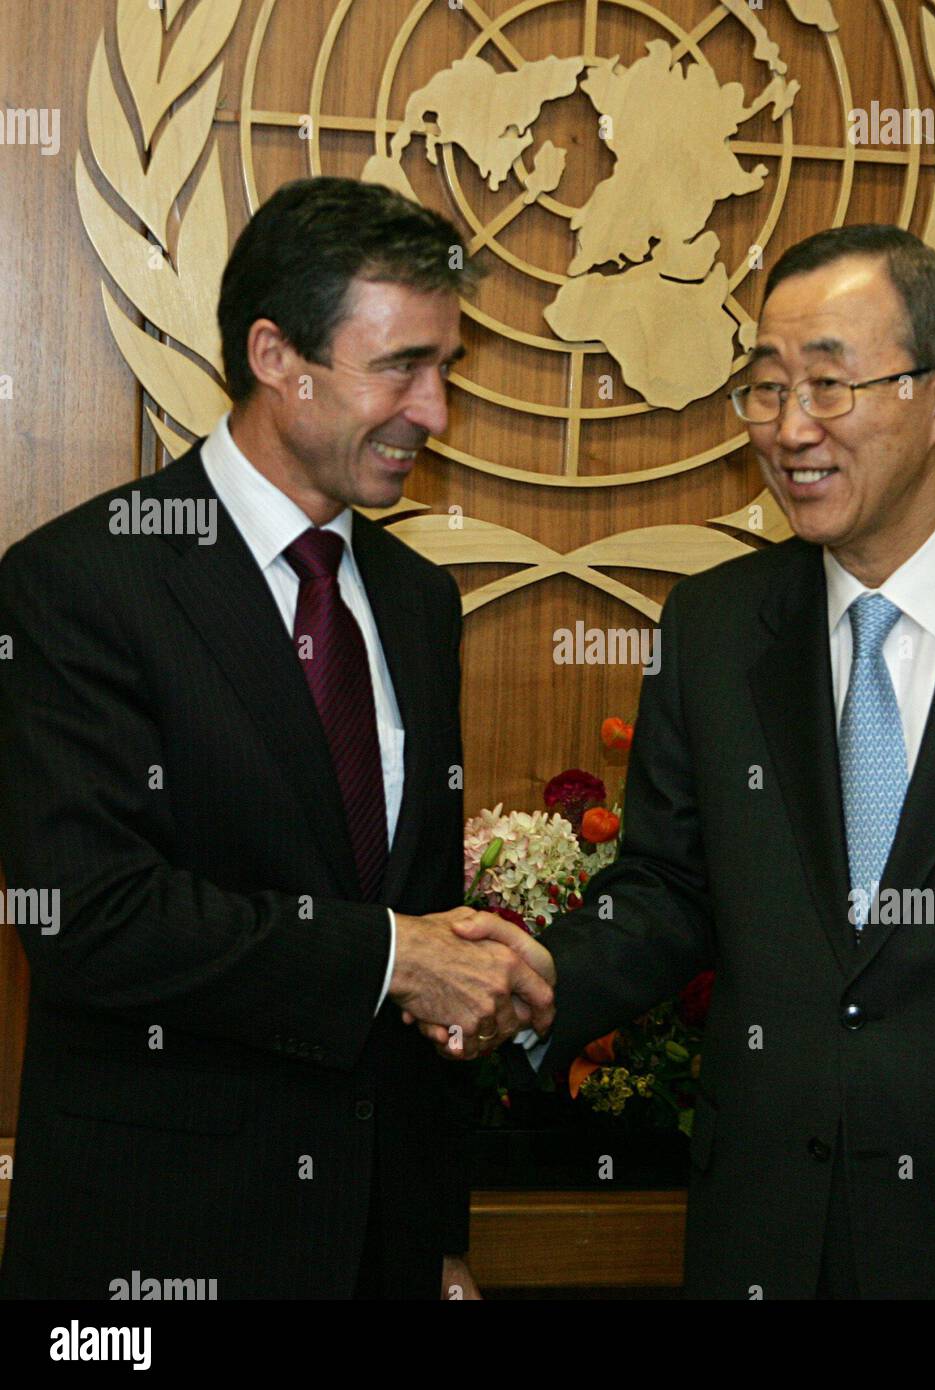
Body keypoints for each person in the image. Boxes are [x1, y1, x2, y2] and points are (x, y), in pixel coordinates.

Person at [439, 225, 935, 1298]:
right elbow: (669, 891)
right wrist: (531, 979)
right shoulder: (715, 630)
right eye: (764, 388)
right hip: (766, 1244)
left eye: (828, 384)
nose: (789, 427)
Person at [0, 176, 553, 1300]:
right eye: (400, 366)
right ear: (272, 353)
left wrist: (438, 1233)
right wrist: (394, 959)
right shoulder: (81, 584)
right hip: (158, 1251)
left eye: (445, 368)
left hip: (375, 1253)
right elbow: (92, 920)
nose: (434, 410)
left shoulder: (413, 599)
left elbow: (427, 916)